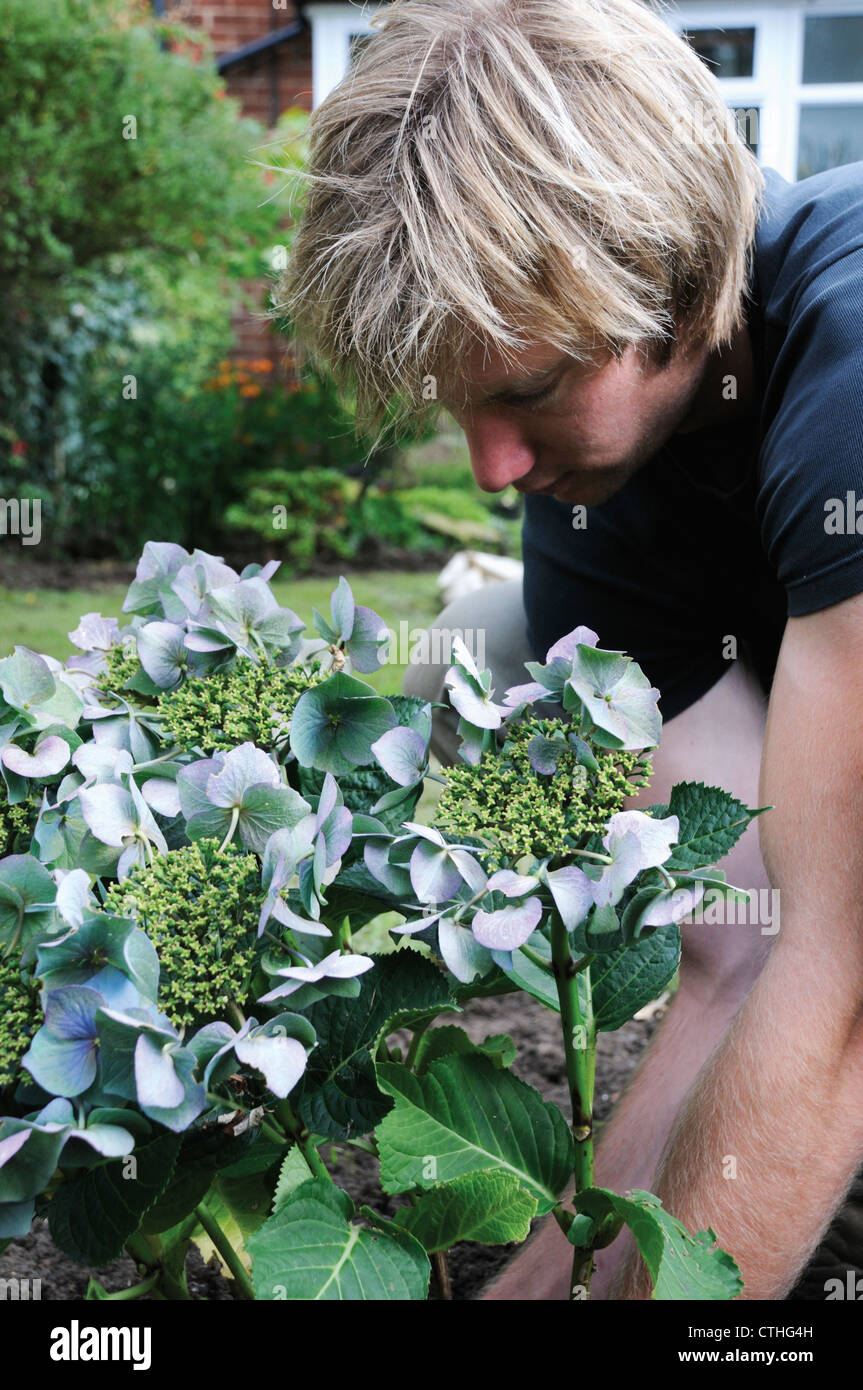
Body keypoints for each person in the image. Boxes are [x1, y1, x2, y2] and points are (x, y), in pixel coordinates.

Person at [278, 0, 863, 1299]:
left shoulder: (853, 359)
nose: (495, 467)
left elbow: (845, 984)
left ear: (667, 270)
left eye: (529, 390)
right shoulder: (595, 496)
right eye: (460, 404)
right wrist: (549, 1278)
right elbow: (740, 942)